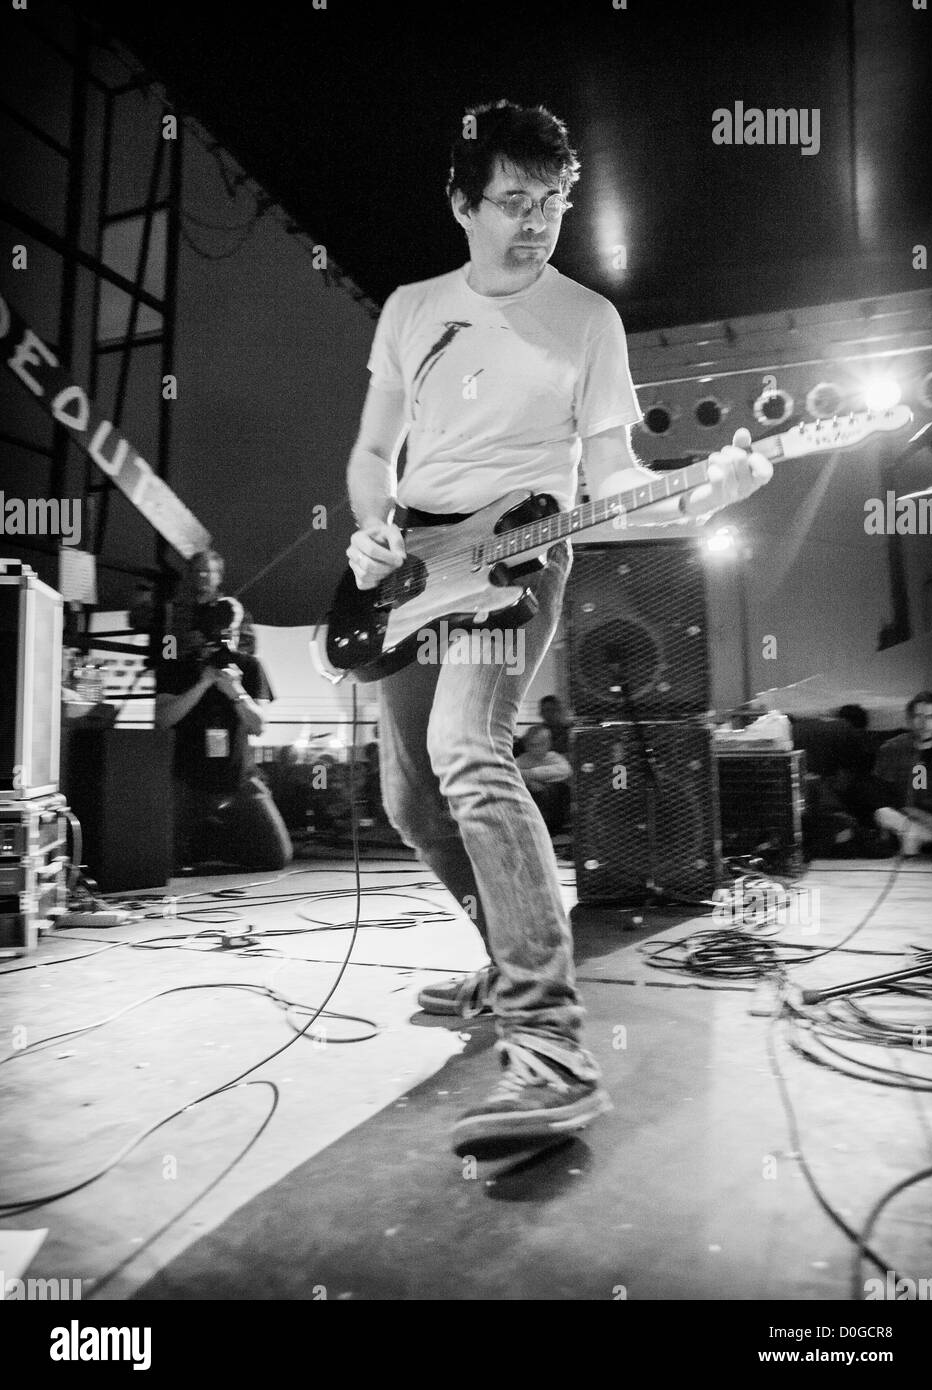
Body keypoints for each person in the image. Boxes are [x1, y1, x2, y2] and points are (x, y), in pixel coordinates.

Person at [342, 99, 773, 1155]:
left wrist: (702, 496)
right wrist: (369, 528)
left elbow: (618, 477)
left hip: (517, 556)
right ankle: (509, 955)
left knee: (466, 750)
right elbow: (371, 454)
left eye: (551, 204)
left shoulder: (588, 319)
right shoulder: (409, 308)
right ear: (461, 202)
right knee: (406, 798)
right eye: (512, 202)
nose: (534, 223)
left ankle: (549, 1048)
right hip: (412, 568)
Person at [154, 596, 292, 873]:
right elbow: (162, 719)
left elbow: (258, 726)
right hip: (189, 780)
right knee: (159, 859)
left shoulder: (249, 667)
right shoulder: (178, 667)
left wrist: (236, 692)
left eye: (232, 631)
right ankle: (204, 839)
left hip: (238, 778)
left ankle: (213, 839)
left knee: (276, 856)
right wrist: (203, 683)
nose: (225, 639)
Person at [872, 691, 932, 855]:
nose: (924, 723)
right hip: (903, 818)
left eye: (930, 717)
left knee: (911, 835)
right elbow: (880, 796)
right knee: (883, 814)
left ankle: (915, 842)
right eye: (919, 716)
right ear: (910, 719)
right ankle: (914, 838)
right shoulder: (893, 748)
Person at [515, 724, 572, 834]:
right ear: (526, 745)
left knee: (557, 790)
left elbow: (566, 770)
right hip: (532, 801)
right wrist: (529, 782)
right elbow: (510, 771)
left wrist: (530, 774)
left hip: (553, 804)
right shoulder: (523, 759)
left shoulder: (554, 757)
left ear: (548, 744)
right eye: (532, 745)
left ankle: (549, 826)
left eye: (540, 745)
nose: (536, 749)